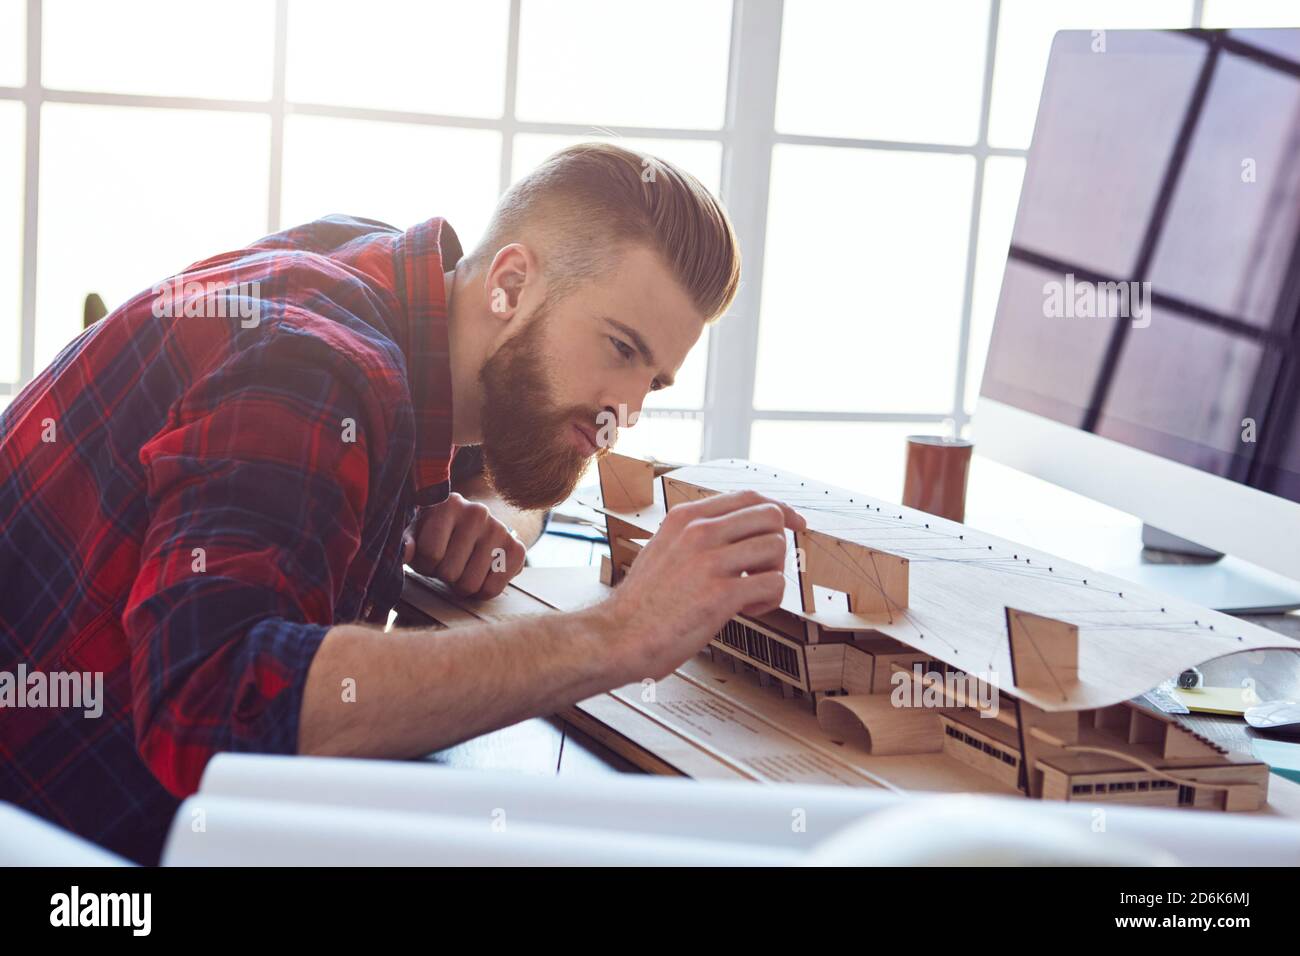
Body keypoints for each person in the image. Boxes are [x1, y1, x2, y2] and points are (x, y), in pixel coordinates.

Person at [0, 143, 804, 863]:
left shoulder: (376, 272)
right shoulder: (313, 363)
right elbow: (216, 710)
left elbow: (425, 431)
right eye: (620, 350)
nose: (621, 414)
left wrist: (444, 496)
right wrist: (619, 633)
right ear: (512, 283)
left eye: (652, 382)